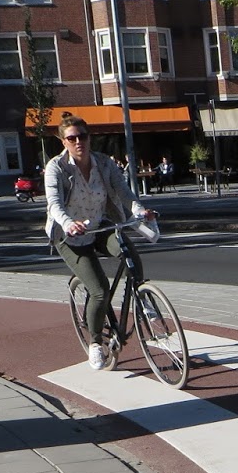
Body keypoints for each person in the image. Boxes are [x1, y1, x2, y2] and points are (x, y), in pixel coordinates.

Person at [45, 117, 158, 371]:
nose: (78, 142)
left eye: (82, 136)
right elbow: (54, 203)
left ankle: (143, 301)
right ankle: (95, 343)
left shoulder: (104, 163)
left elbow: (124, 193)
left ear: (89, 137)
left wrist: (139, 211)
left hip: (99, 226)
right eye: (71, 138)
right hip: (69, 235)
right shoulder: (57, 167)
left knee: (128, 252)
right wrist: (68, 223)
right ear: (64, 142)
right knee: (99, 291)